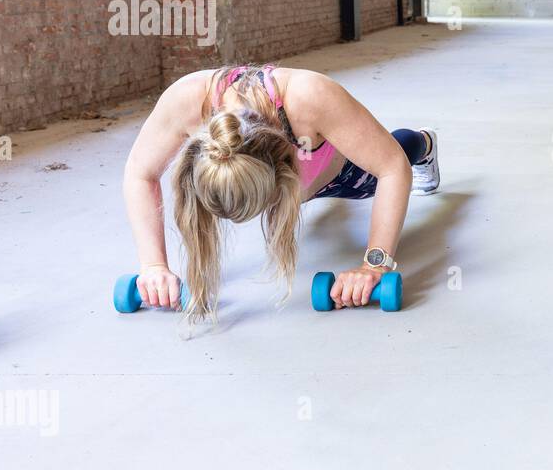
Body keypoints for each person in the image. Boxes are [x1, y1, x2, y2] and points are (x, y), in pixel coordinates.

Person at [122, 64, 440, 321]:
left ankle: (424, 143)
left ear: (284, 175)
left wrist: (375, 265)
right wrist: (153, 266)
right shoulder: (187, 101)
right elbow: (140, 172)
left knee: (396, 150)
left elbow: (392, 168)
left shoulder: (310, 97)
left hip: (345, 175)